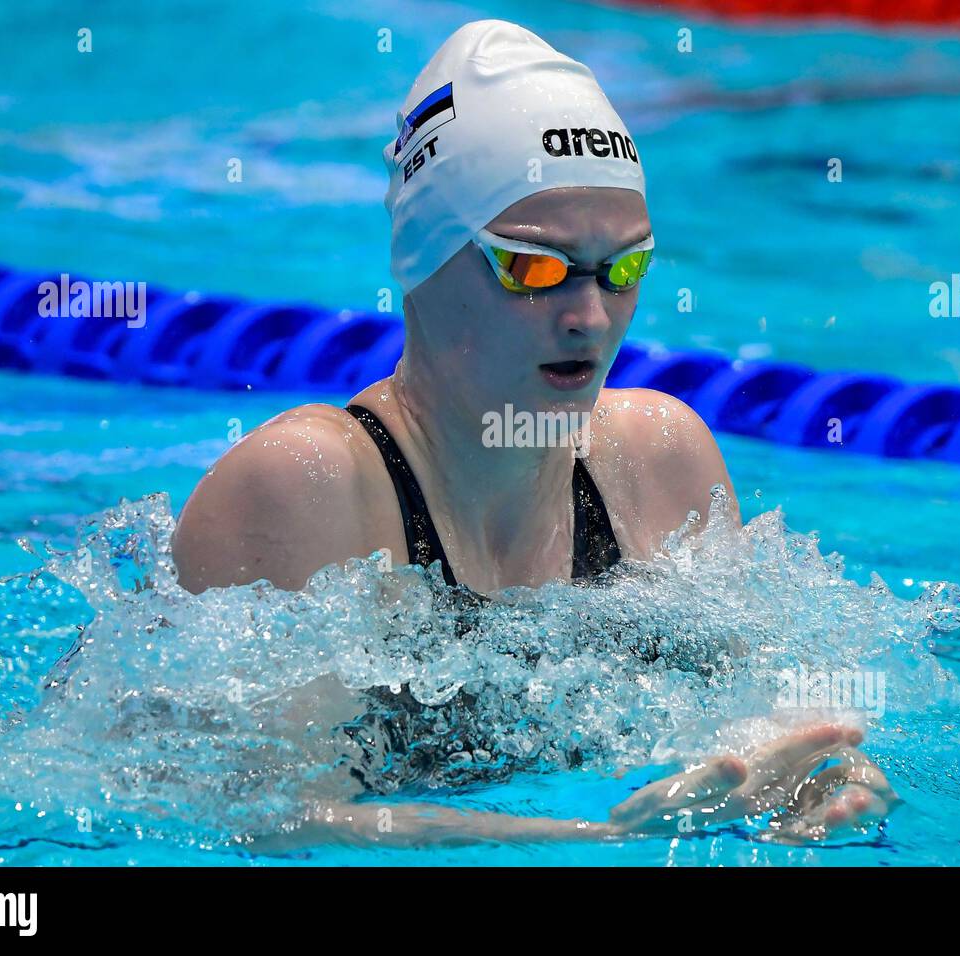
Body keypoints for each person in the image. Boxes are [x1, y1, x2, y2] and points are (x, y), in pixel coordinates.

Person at [173, 19, 897, 848]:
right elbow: (259, 829)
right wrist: (599, 840)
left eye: (624, 268)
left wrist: (813, 769)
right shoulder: (306, 490)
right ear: (424, 257)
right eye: (535, 267)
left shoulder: (659, 462)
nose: (590, 317)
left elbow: (756, 709)